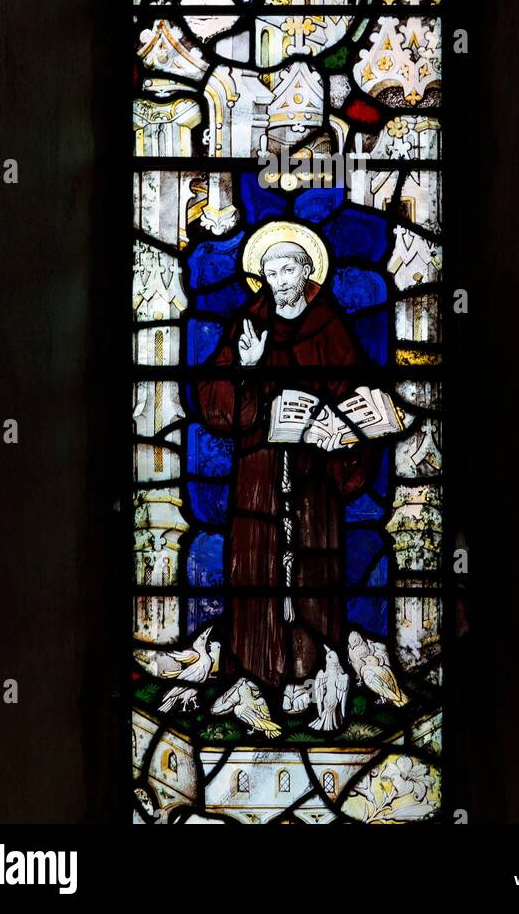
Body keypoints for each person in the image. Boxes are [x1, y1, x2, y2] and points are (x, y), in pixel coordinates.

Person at [196, 224, 381, 690]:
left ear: (307, 271)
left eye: (287, 268)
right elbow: (213, 396)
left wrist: (345, 427)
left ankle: (316, 672)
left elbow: (355, 389)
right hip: (260, 470)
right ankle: (257, 675)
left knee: (315, 566)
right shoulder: (248, 323)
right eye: (269, 270)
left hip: (315, 470)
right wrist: (248, 368)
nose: (278, 278)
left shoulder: (330, 323)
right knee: (257, 565)